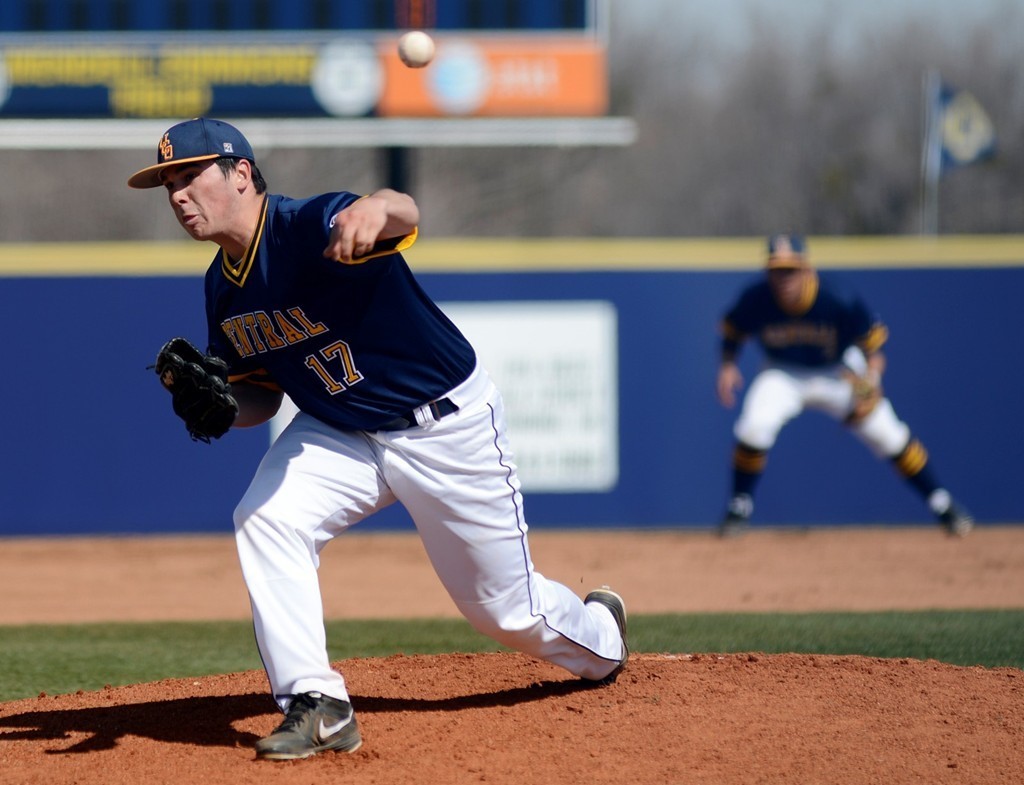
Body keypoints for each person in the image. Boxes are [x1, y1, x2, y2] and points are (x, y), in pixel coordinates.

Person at [128, 118, 628, 761]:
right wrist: (222, 407)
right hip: (342, 430)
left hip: (443, 425)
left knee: (505, 613)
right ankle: (317, 704)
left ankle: (602, 635)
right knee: (265, 517)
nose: (177, 194)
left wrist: (375, 209)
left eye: (189, 174)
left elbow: (401, 210)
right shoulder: (221, 287)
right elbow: (262, 396)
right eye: (168, 183)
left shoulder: (310, 226)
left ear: (241, 173)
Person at [715, 233, 973, 538]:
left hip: (838, 371)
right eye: (776, 270)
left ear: (807, 269)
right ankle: (738, 507)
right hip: (783, 373)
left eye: (790, 269)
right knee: (754, 426)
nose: (783, 277)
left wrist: (871, 380)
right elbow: (733, 331)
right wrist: (728, 366)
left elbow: (874, 352)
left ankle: (941, 503)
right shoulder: (755, 298)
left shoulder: (838, 297)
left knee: (888, 434)